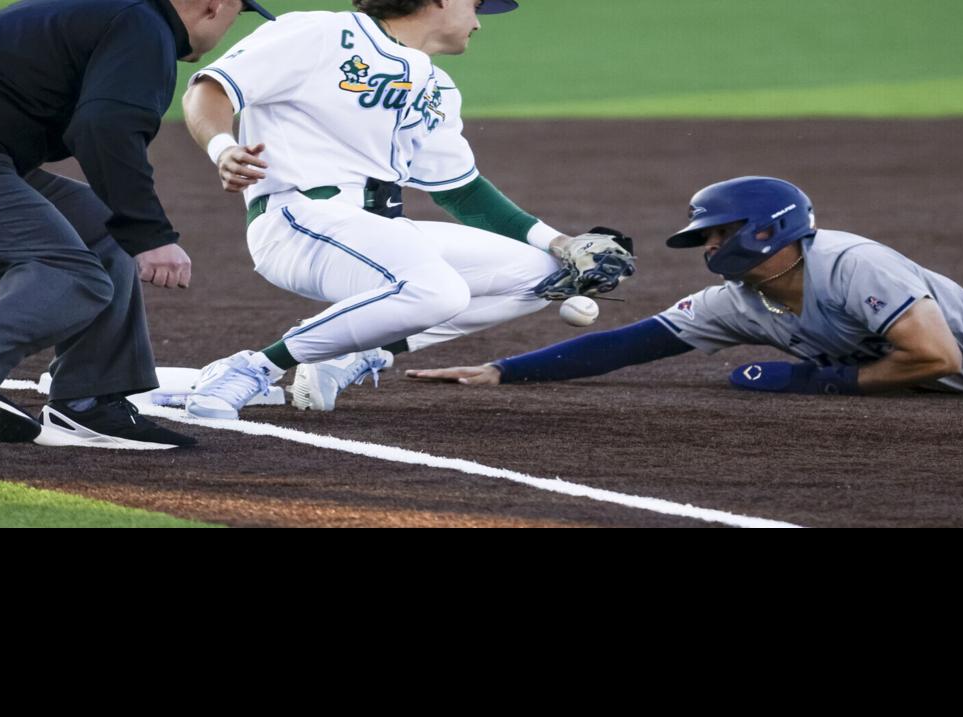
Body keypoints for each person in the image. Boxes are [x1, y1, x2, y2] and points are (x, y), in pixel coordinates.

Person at [176, 0, 634, 420]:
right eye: (475, 6)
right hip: (298, 221)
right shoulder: (320, 34)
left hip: (379, 232)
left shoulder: (436, 86)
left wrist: (562, 243)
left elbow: (463, 192)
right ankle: (249, 368)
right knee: (437, 292)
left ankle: (347, 355)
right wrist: (223, 148)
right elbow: (209, 89)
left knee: (545, 272)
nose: (478, 21)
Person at [406, 176, 963, 399]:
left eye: (715, 234)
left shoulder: (853, 263)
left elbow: (935, 358)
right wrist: (502, 369)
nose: (706, 247)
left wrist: (814, 380)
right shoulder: (742, 302)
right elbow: (634, 343)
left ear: (765, 230)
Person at [0, 0, 274, 449]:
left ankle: (89, 401)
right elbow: (105, 127)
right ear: (213, 6)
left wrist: (132, 229)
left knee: (101, 227)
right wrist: (152, 237)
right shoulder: (143, 25)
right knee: (72, 273)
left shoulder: (117, 13)